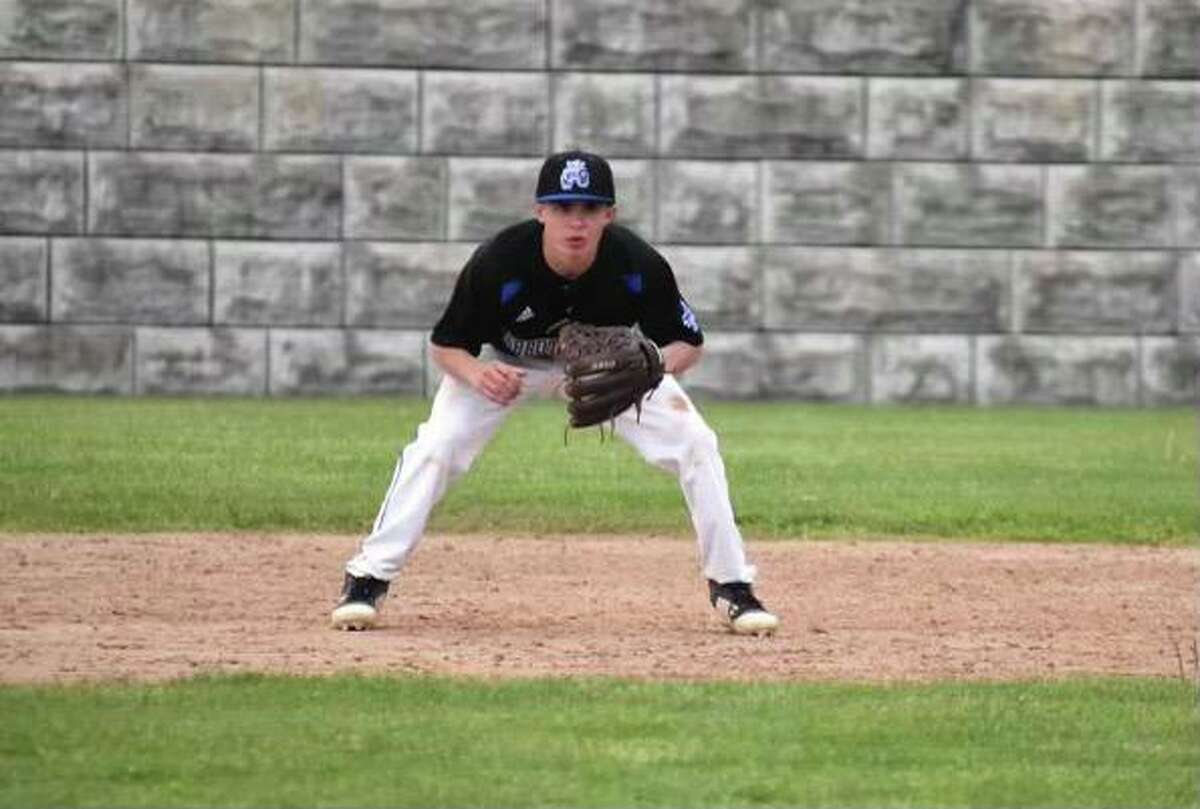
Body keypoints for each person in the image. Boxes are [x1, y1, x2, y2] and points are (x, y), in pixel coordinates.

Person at [331, 150, 779, 636]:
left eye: (589, 209)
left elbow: (688, 343)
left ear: (609, 214)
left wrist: (649, 368)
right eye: (563, 207)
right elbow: (445, 346)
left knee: (696, 443)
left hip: (609, 369)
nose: (576, 221)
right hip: (509, 367)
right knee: (437, 447)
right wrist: (478, 375)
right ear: (540, 211)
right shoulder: (499, 262)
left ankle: (732, 586)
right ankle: (368, 577)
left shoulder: (636, 263)